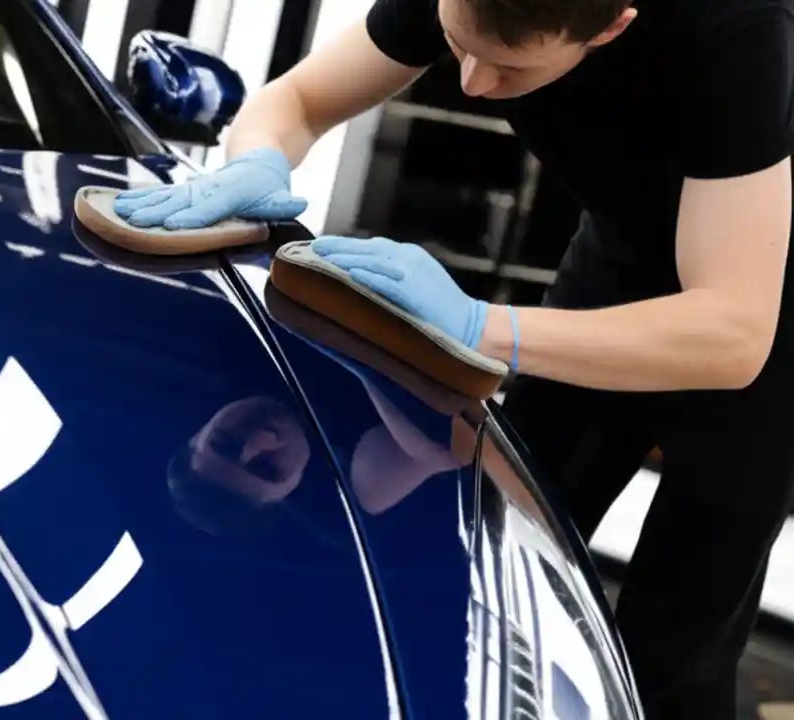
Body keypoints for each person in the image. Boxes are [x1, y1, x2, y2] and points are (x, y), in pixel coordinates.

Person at [113, 0, 794, 715]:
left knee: (677, 650)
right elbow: (302, 100)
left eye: (507, 68)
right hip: (617, 258)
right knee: (497, 562)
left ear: (614, 26)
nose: (470, 82)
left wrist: (479, 327)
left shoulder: (735, 33)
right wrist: (259, 155)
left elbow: (735, 336)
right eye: (455, 44)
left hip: (766, 319)